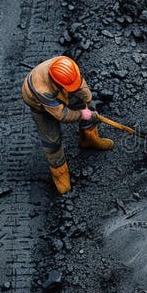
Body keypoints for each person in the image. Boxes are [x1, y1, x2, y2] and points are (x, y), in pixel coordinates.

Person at [21, 55, 113, 194]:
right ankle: (60, 173)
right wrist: (82, 114)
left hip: (62, 88)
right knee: (52, 141)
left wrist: (87, 102)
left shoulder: (68, 66)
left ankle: (88, 139)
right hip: (39, 105)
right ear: (57, 83)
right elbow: (62, 115)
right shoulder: (42, 90)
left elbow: (80, 84)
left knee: (88, 107)